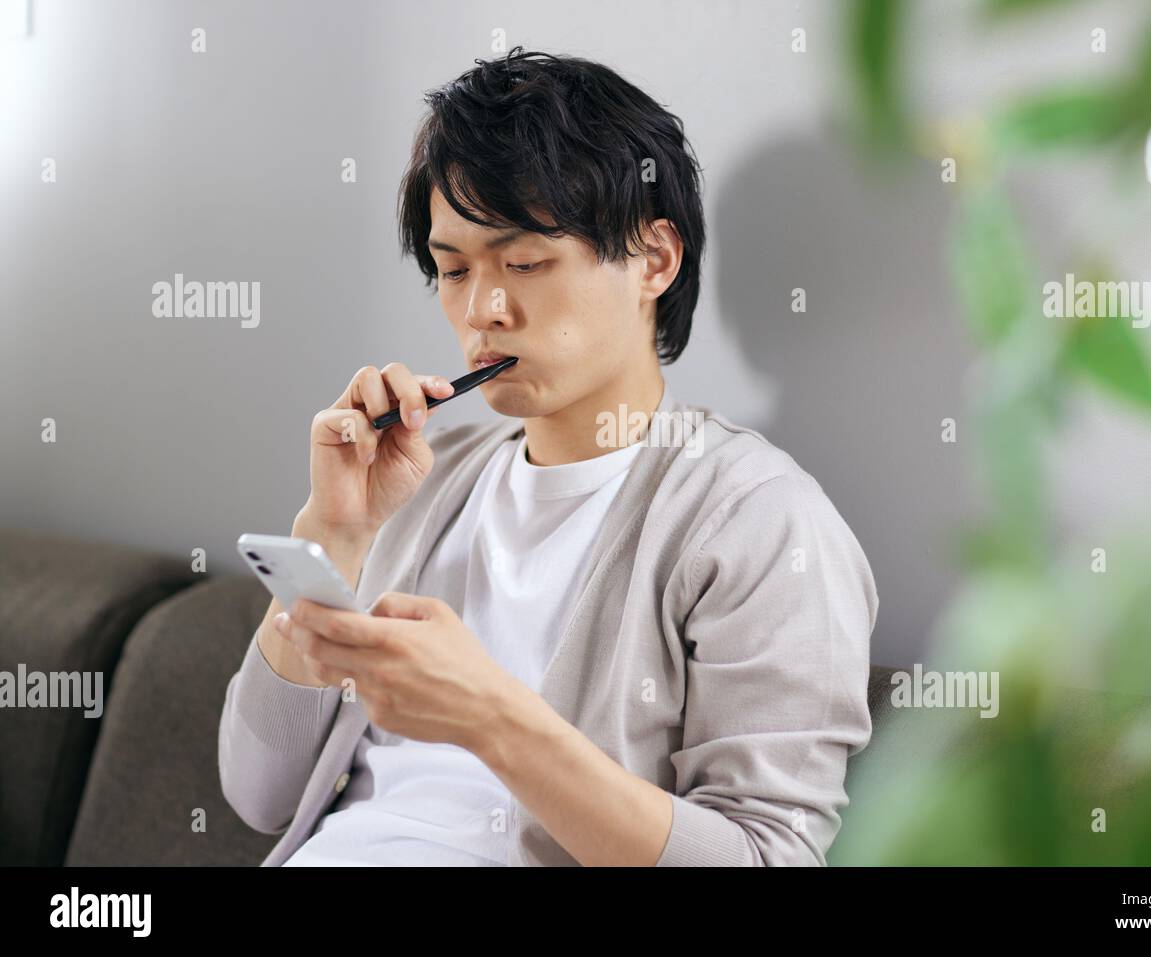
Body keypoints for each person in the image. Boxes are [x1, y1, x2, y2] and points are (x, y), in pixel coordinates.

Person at [218, 46, 878, 867]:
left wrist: (491, 716)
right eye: (453, 270)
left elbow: (764, 857)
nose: (483, 310)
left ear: (655, 259)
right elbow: (258, 794)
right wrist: (336, 534)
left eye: (525, 261)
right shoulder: (427, 478)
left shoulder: (760, 521)